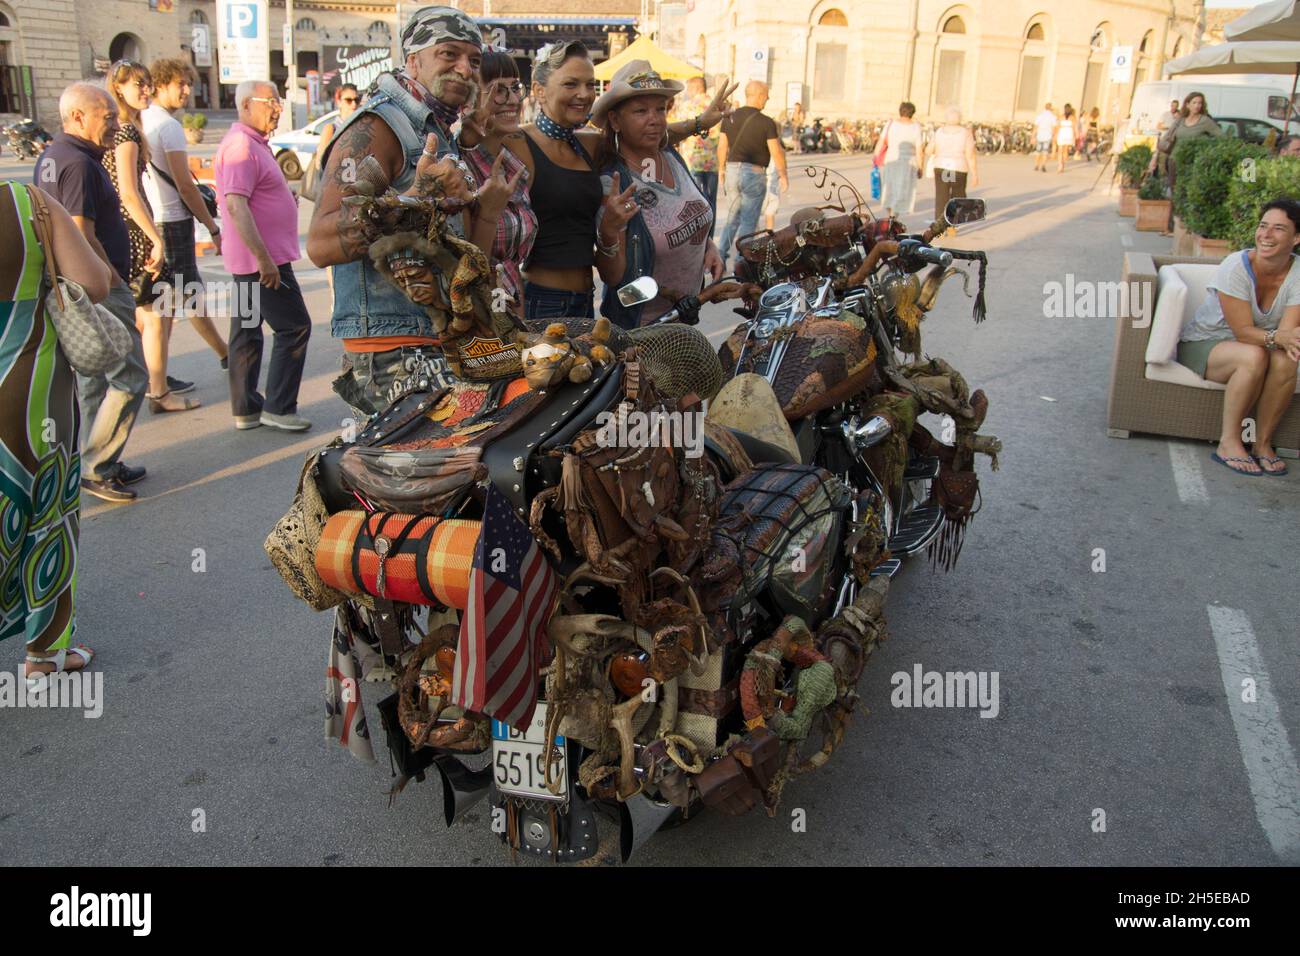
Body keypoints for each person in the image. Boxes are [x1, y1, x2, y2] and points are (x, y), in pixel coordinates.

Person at [307, 5, 484, 417]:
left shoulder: (436, 131)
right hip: (392, 347)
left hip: (432, 339)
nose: (464, 68)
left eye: (474, 60)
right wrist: (415, 198)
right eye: (449, 54)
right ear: (413, 60)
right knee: (416, 477)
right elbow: (320, 244)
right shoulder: (379, 128)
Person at [507, 41, 732, 320]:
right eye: (570, 84)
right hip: (544, 300)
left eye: (590, 85)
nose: (583, 93)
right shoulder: (518, 142)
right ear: (538, 90)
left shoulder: (587, 145)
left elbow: (645, 134)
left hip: (584, 300)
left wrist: (699, 123)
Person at [2, 182, 111, 685]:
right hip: (31, 387)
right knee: (47, 512)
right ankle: (44, 653)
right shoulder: (31, 203)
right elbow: (94, 282)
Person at [34, 83, 150, 504]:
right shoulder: (78, 164)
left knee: (93, 378)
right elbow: (81, 232)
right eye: (107, 115)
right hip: (97, 286)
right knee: (131, 374)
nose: (116, 123)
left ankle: (90, 460)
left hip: (73, 289)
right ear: (78, 117)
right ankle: (97, 466)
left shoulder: (53, 156)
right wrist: (111, 280)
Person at [591, 60, 723, 327]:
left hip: (683, 322)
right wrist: (608, 231)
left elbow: (688, 215)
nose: (654, 119)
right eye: (640, 111)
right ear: (615, 120)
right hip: (643, 332)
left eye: (660, 109)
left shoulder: (671, 156)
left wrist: (707, 246)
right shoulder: (615, 184)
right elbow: (615, 280)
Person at [215, 80, 313, 432]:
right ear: (246, 105)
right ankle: (279, 407)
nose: (277, 108)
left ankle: (246, 407)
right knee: (295, 327)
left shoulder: (251, 143)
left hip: (250, 262)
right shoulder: (242, 145)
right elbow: (236, 204)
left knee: (246, 331)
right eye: (271, 101)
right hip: (262, 263)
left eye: (278, 101)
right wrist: (264, 260)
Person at [1176, 199, 1300, 477]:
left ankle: (1262, 443)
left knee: (1286, 361)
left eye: (1278, 229)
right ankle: (1229, 442)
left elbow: (1288, 336)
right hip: (1204, 344)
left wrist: (1288, 341)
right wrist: (1281, 337)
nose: (1265, 235)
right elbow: (1243, 332)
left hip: (1257, 346)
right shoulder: (1236, 266)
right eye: (1262, 226)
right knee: (1253, 355)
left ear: (1296, 238)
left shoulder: (1299, 273)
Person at [103, 59, 197, 415]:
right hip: (135, 230)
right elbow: (129, 192)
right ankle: (159, 392)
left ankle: (151, 383)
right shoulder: (126, 132)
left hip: (128, 228)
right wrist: (154, 239)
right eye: (136, 85)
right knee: (157, 314)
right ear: (118, 89)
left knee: (147, 314)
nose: (144, 90)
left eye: (145, 83)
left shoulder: (125, 128)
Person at [142, 58, 229, 375]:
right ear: (160, 85)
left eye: (188, 83)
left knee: (163, 303)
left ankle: (157, 378)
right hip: (173, 220)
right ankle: (225, 353)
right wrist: (212, 226)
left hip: (153, 219)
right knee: (188, 292)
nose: (186, 90)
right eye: (179, 84)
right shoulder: (168, 127)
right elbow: (186, 187)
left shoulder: (143, 120)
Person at [457, 50, 536, 318]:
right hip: (475, 323)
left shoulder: (512, 162)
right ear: (469, 100)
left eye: (515, 88)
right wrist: (488, 215)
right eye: (497, 91)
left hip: (509, 317)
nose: (513, 100)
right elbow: (467, 269)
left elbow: (511, 265)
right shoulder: (457, 167)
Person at [717, 80, 787, 268]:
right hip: (754, 173)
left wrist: (722, 169)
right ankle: (742, 261)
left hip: (732, 170)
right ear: (758, 95)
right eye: (766, 95)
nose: (768, 99)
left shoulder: (729, 117)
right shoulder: (766, 122)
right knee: (749, 220)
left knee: (732, 217)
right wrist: (783, 174)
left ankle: (720, 256)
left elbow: (722, 145)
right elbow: (776, 151)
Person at [1147, 91, 1220, 233]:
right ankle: (1171, 227)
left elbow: (1220, 137)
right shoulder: (1180, 120)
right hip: (1174, 161)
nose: (1197, 106)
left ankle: (1184, 227)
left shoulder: (1205, 121)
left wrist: (1205, 148)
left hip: (1192, 163)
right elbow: (1167, 138)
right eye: (1194, 103)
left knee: (1187, 192)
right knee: (1174, 192)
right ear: (1187, 104)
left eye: (1200, 103)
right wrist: (1155, 158)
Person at [674, 75, 721, 215]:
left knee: (695, 204)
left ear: (695, 88)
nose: (687, 92)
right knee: (711, 203)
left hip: (692, 161)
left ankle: (700, 236)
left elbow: (678, 132)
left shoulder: (686, 106)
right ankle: (710, 235)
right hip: (713, 162)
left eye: (688, 88)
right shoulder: (716, 106)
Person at [925, 107, 977, 228]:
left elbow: (929, 150)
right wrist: (975, 174)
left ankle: (940, 226)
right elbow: (970, 154)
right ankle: (953, 225)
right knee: (957, 197)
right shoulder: (965, 133)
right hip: (958, 168)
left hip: (943, 167)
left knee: (941, 197)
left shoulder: (939, 132)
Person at [878, 100, 923, 218]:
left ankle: (890, 213)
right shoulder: (916, 127)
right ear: (912, 113)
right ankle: (895, 214)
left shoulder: (890, 124)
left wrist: (876, 157)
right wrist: (920, 166)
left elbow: (881, 141)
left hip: (891, 159)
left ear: (900, 112)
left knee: (889, 186)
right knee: (902, 188)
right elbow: (919, 149)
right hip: (908, 163)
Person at [1033, 102, 1055, 172]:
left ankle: (1036, 165)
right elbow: (1053, 127)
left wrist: (1033, 136)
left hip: (1040, 134)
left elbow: (1036, 126)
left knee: (1038, 151)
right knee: (1045, 151)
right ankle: (1043, 165)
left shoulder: (1040, 115)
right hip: (1048, 135)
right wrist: (1054, 135)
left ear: (1044, 107)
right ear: (1051, 108)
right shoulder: (1052, 116)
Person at [1055, 103, 1076, 172]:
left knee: (1060, 150)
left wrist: (1056, 134)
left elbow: (1058, 126)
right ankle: (1062, 164)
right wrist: (1074, 136)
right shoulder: (1072, 117)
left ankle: (1060, 165)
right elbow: (1074, 128)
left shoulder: (1061, 117)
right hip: (1068, 133)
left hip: (1062, 132)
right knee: (1065, 150)